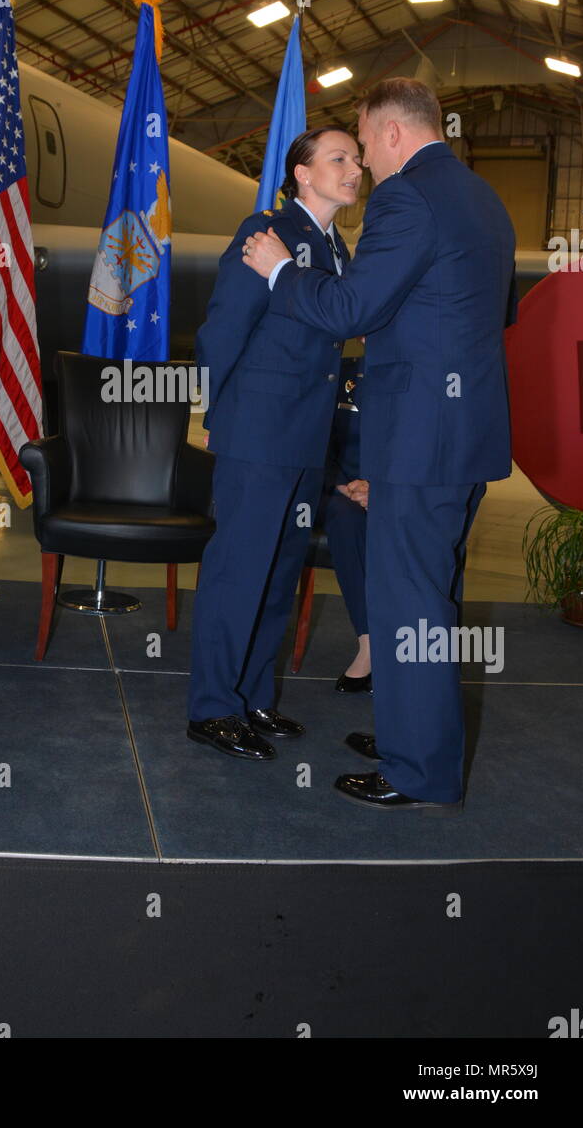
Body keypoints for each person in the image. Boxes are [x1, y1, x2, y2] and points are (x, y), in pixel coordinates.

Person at [243, 78, 517, 808]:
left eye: (363, 141)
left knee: (411, 606)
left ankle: (418, 771)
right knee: (432, 598)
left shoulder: (407, 197)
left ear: (393, 133)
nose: (364, 158)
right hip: (465, 436)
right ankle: (414, 736)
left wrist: (279, 270)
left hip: (423, 442)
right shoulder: (484, 199)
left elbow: (353, 310)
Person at [188, 128, 362, 760]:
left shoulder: (333, 246)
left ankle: (252, 695)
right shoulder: (267, 234)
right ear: (302, 174)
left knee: (278, 571)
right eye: (339, 159)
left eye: (357, 159)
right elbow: (224, 328)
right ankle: (212, 707)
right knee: (239, 569)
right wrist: (218, 409)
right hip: (259, 431)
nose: (354, 168)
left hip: (303, 437)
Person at [318, 352, 371, 692]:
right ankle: (370, 643)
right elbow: (314, 435)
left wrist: (379, 487)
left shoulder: (422, 373)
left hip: (394, 489)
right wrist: (340, 482)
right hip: (334, 489)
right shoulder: (340, 373)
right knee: (343, 516)